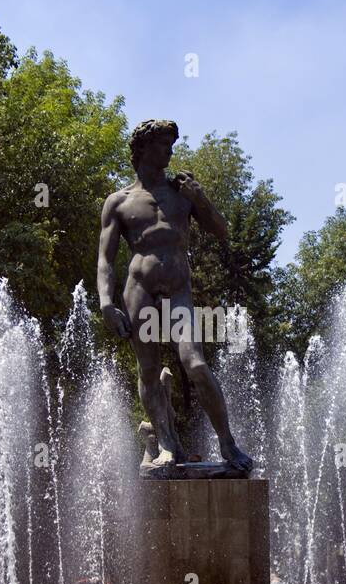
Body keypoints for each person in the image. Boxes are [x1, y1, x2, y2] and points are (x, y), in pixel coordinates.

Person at [96, 118, 253, 477]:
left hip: (179, 289)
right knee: (149, 370)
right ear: (143, 149)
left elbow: (221, 230)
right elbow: (105, 260)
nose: (170, 149)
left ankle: (227, 443)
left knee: (195, 363)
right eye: (164, 143)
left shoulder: (182, 193)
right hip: (139, 289)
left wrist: (200, 198)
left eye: (171, 143)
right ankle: (166, 444)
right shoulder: (118, 202)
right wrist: (106, 302)